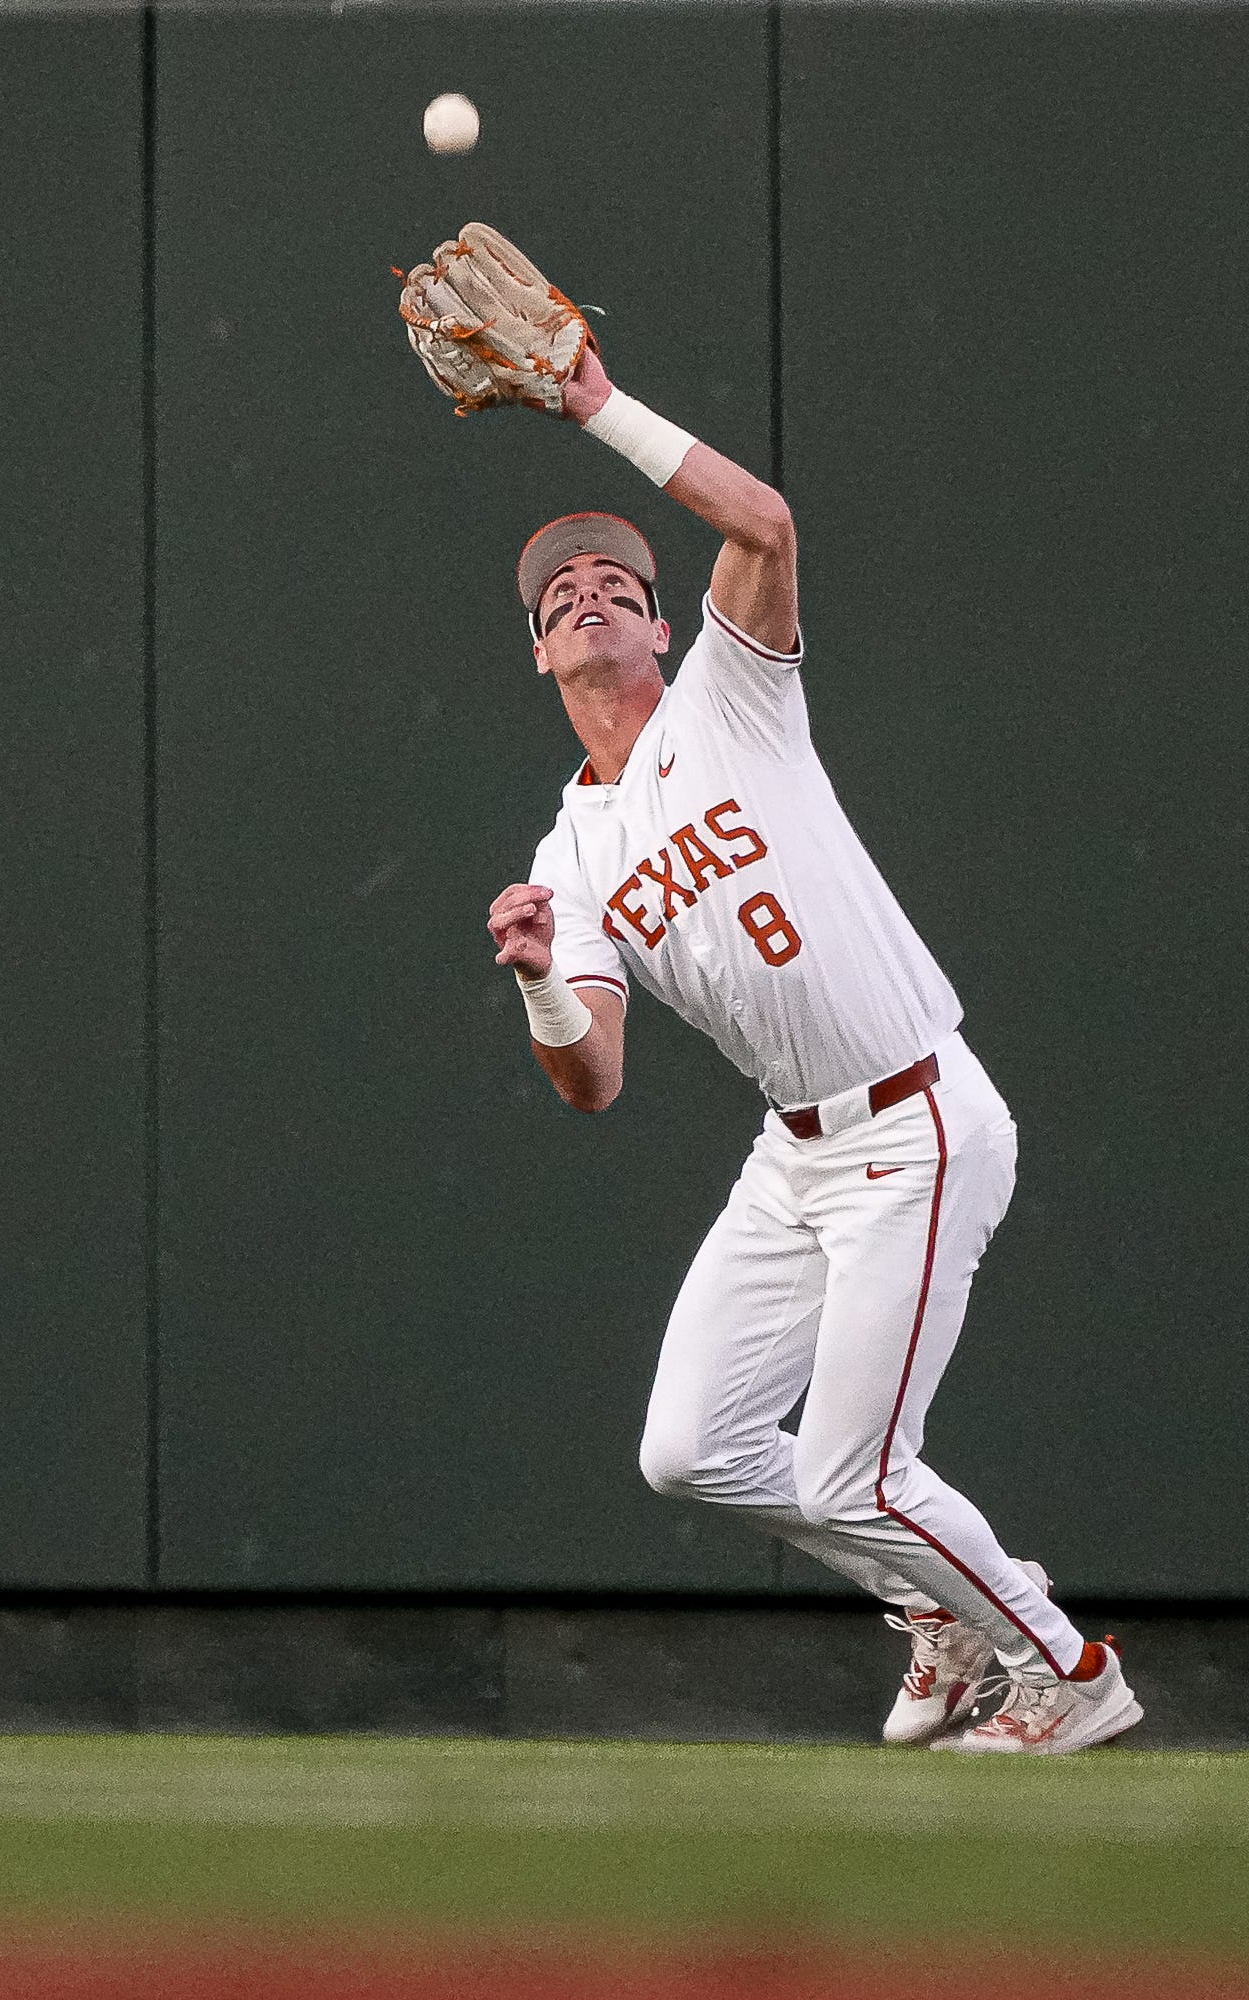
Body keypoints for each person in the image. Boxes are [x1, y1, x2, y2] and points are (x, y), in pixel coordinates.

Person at [481, 341, 1142, 1753]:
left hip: (918, 1123)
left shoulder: (734, 699)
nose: (592, 595)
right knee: (691, 1448)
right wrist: (543, 984)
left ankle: (1067, 1670)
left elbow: (764, 523)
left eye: (619, 587)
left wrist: (597, 406)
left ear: (664, 631)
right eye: (562, 596)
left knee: (857, 1479)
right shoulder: (573, 850)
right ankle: (940, 1610)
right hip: (795, 1158)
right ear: (538, 652)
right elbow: (591, 1079)